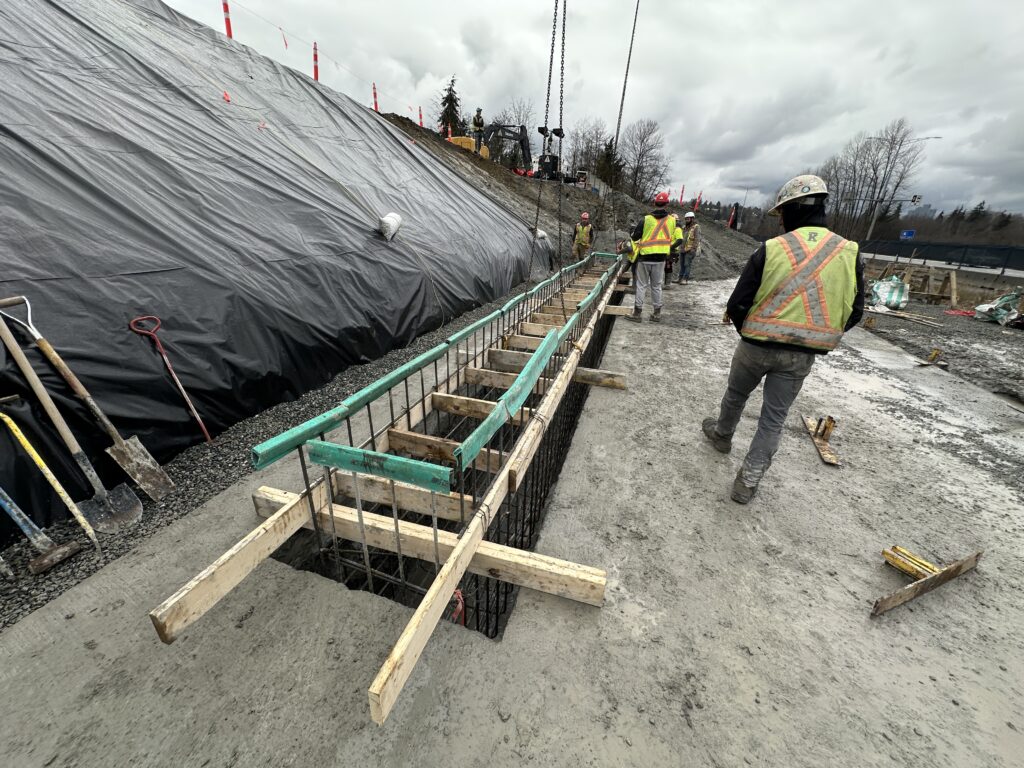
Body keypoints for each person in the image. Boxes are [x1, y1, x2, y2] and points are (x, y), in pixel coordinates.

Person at [701, 174, 864, 503]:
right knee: (773, 419)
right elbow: (855, 311)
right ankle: (747, 483)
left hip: (756, 345)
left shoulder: (772, 249)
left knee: (736, 395)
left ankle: (722, 436)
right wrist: (816, 336)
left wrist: (751, 332)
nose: (779, 224)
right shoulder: (849, 253)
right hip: (800, 355)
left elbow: (736, 305)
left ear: (790, 211)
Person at [626, 192, 681, 324]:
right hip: (661, 259)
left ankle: (637, 313)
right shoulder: (673, 221)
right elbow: (674, 237)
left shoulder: (646, 219)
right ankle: (656, 314)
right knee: (656, 286)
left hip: (645, 258)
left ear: (654, 203)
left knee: (641, 286)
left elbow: (635, 237)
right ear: (667, 204)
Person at [675, 211, 701, 284]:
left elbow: (697, 239)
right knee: (682, 264)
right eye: (686, 219)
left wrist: (693, 248)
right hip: (683, 249)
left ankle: (685, 279)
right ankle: (680, 278)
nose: (686, 220)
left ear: (692, 219)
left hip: (690, 250)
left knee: (687, 264)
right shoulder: (684, 227)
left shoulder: (696, 227)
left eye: (688, 219)